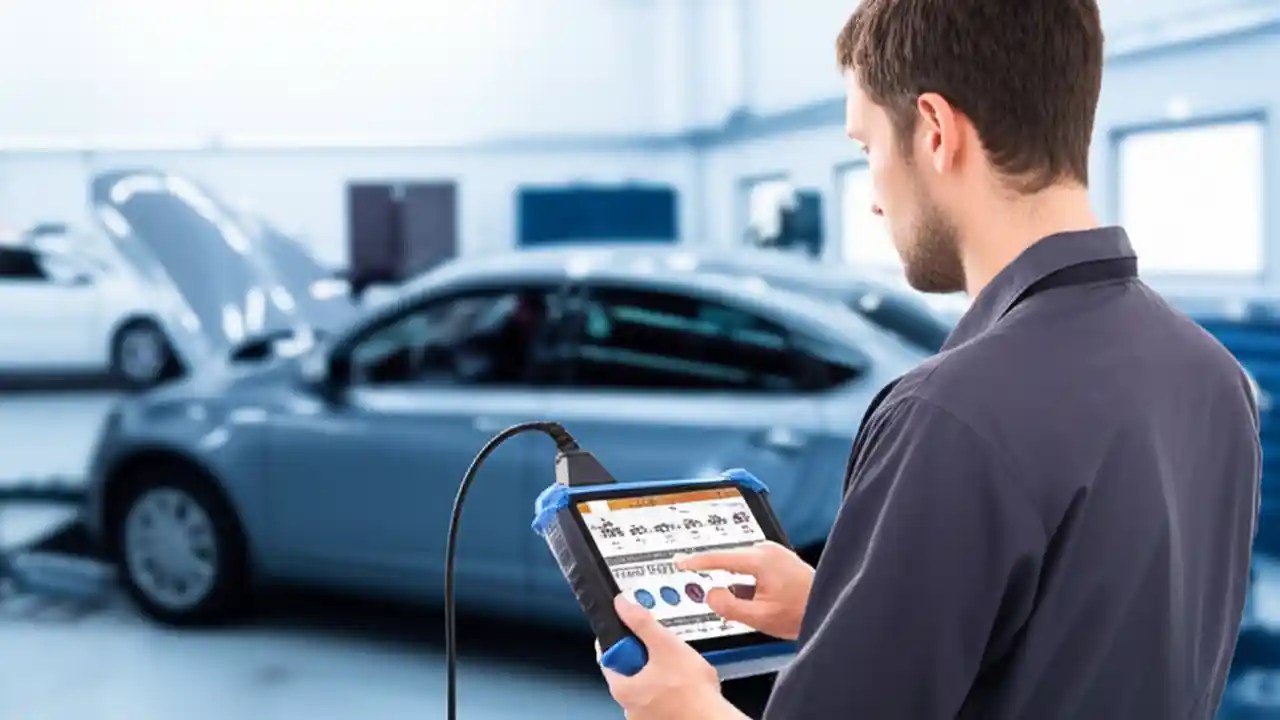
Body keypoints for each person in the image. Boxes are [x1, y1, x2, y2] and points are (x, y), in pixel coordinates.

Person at [599, 1, 1262, 718]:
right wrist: (839, 609)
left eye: (867, 150)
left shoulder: (951, 414)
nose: (875, 202)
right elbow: (1071, 646)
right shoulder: (1212, 377)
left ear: (937, 132)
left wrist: (683, 707)